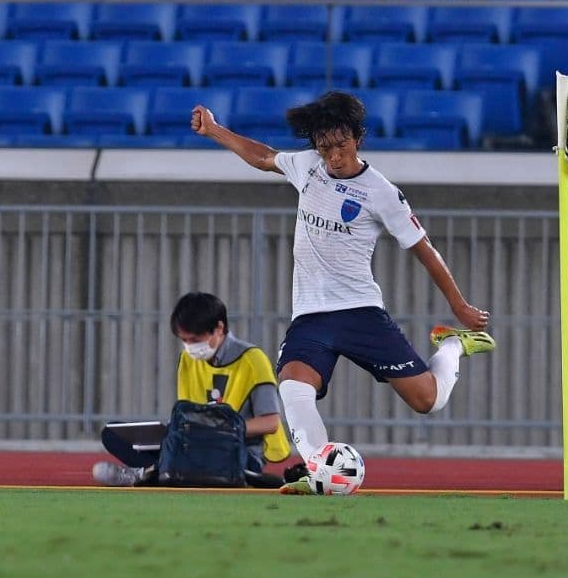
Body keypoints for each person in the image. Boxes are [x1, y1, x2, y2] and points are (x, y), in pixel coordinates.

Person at [190, 91, 494, 495]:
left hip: (360, 312)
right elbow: (264, 157)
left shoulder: (381, 192)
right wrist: (214, 130)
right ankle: (318, 471)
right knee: (293, 387)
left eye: (341, 145)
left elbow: (424, 249)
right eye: (325, 147)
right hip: (311, 317)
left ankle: (453, 346)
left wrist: (458, 304)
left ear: (358, 138)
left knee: (428, 400)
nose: (334, 156)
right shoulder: (308, 167)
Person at [92, 292, 291, 486]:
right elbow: (189, 413)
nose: (189, 346)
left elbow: (270, 423)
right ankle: (161, 472)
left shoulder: (253, 360)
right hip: (195, 445)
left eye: (195, 340)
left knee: (200, 460)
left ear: (219, 328)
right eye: (184, 340)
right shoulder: (187, 360)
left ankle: (148, 474)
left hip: (237, 450)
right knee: (113, 434)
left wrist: (220, 431)